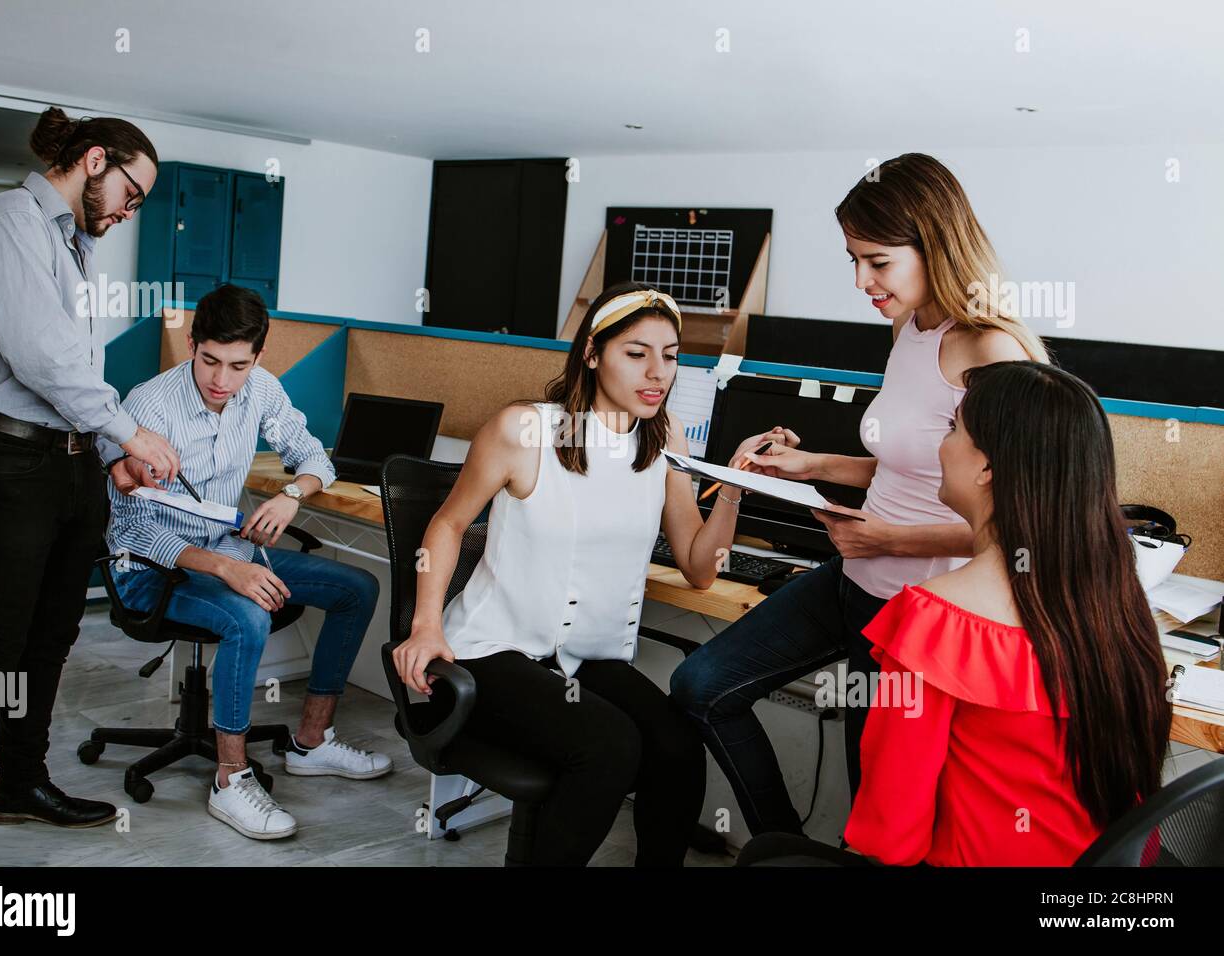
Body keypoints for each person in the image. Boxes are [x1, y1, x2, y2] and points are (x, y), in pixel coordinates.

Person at [670, 153, 1050, 836]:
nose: (860, 281)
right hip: (854, 580)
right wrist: (809, 464)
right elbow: (907, 466)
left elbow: (1021, 530)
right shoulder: (909, 328)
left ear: (933, 241)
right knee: (701, 685)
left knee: (878, 815)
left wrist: (888, 539)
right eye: (852, 259)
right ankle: (783, 850)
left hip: (918, 613)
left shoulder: (994, 353)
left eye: (876, 261)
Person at [392, 281, 764, 866]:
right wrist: (425, 626)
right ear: (591, 353)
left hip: (584, 657)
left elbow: (698, 567)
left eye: (670, 356)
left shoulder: (663, 441)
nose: (658, 372)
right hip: (497, 649)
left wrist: (734, 490)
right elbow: (446, 525)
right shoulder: (524, 430)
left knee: (677, 745)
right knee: (609, 747)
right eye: (636, 353)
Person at [764, 362, 1172, 865]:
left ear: (987, 468)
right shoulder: (1120, 609)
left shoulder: (935, 623)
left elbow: (892, 840)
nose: (942, 442)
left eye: (954, 427)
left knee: (768, 853)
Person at [0, 107, 181, 867]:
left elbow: (74, 370)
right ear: (95, 160)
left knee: (49, 638)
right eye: (132, 192)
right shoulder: (6, 218)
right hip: (4, 462)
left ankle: (20, 783)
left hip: (69, 465)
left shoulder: (69, 245)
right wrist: (132, 432)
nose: (131, 210)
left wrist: (108, 453)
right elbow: (39, 356)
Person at [107, 285, 389, 841]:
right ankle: (230, 779)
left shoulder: (259, 389)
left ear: (258, 357)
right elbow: (129, 524)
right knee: (248, 616)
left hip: (229, 549)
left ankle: (310, 743)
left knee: (357, 587)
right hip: (147, 569)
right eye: (210, 360)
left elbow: (312, 456)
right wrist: (221, 567)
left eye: (238, 365)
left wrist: (292, 496)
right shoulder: (148, 405)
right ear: (191, 344)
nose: (221, 380)